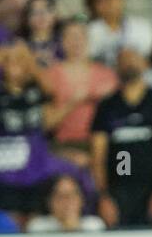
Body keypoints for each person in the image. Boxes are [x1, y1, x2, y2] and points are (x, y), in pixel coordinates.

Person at [90, 45, 152, 228]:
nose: (129, 64)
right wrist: (104, 197)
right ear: (116, 67)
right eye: (123, 60)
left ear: (145, 64)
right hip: (119, 191)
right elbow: (98, 157)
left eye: (133, 59)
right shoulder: (107, 106)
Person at [0, 38, 56, 225]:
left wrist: (30, 61)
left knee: (36, 220)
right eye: (9, 60)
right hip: (6, 168)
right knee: (10, 220)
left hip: (36, 166)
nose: (15, 65)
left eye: (19, 60)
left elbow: (53, 93)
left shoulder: (35, 90)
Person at [42, 15, 117, 169]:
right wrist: (74, 102)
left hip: (101, 143)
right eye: (70, 36)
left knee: (124, 162)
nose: (76, 41)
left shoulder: (107, 75)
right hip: (64, 145)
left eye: (80, 36)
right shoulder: (50, 75)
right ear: (62, 41)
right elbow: (46, 123)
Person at [87, 0, 152, 68]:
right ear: (93, 3)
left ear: (122, 0)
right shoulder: (86, 32)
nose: (110, 2)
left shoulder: (143, 27)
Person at [26, 172, 106, 231]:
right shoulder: (38, 226)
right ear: (49, 201)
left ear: (82, 200)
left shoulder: (94, 225)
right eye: (60, 196)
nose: (67, 201)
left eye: (72, 194)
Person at [19, 0, 60, 66]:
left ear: (55, 14)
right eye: (35, 11)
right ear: (27, 18)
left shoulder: (63, 43)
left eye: (47, 9)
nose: (41, 15)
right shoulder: (20, 45)